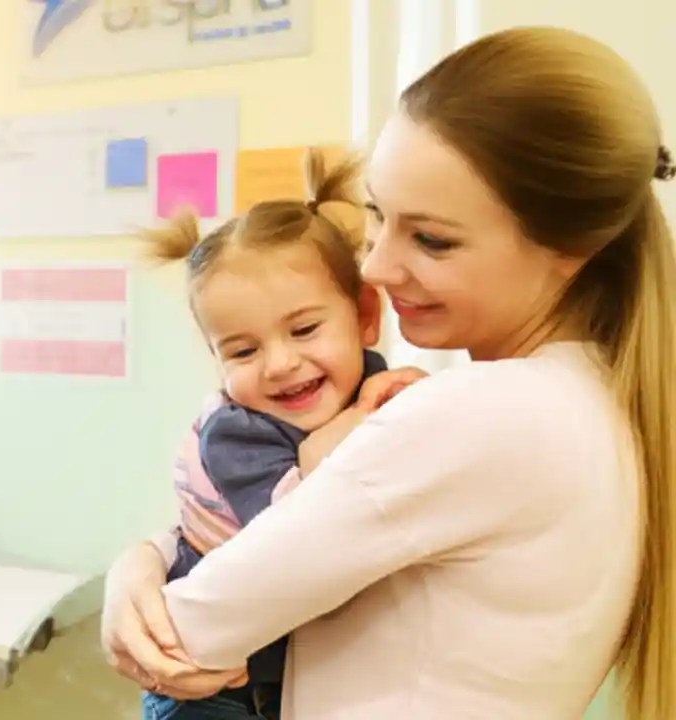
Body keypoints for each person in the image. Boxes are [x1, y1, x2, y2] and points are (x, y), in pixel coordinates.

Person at [102, 26, 675, 719]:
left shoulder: (485, 412)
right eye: (378, 216)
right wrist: (148, 551)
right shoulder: (597, 396)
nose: (373, 268)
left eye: (431, 239)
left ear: (570, 248)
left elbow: (177, 636)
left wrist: (135, 573)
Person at [139, 151, 423, 720]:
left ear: (365, 316)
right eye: (243, 350)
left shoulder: (369, 380)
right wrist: (360, 417)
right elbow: (299, 529)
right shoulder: (233, 432)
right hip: (214, 687)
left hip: (291, 674)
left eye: (305, 329)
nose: (280, 364)